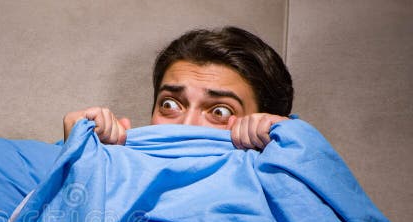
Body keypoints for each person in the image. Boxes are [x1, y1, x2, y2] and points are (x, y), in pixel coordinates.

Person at [62, 26, 294, 150]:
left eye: (219, 111)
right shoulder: (105, 166)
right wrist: (78, 161)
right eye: (170, 104)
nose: (187, 125)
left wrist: (292, 142)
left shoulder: (279, 188)